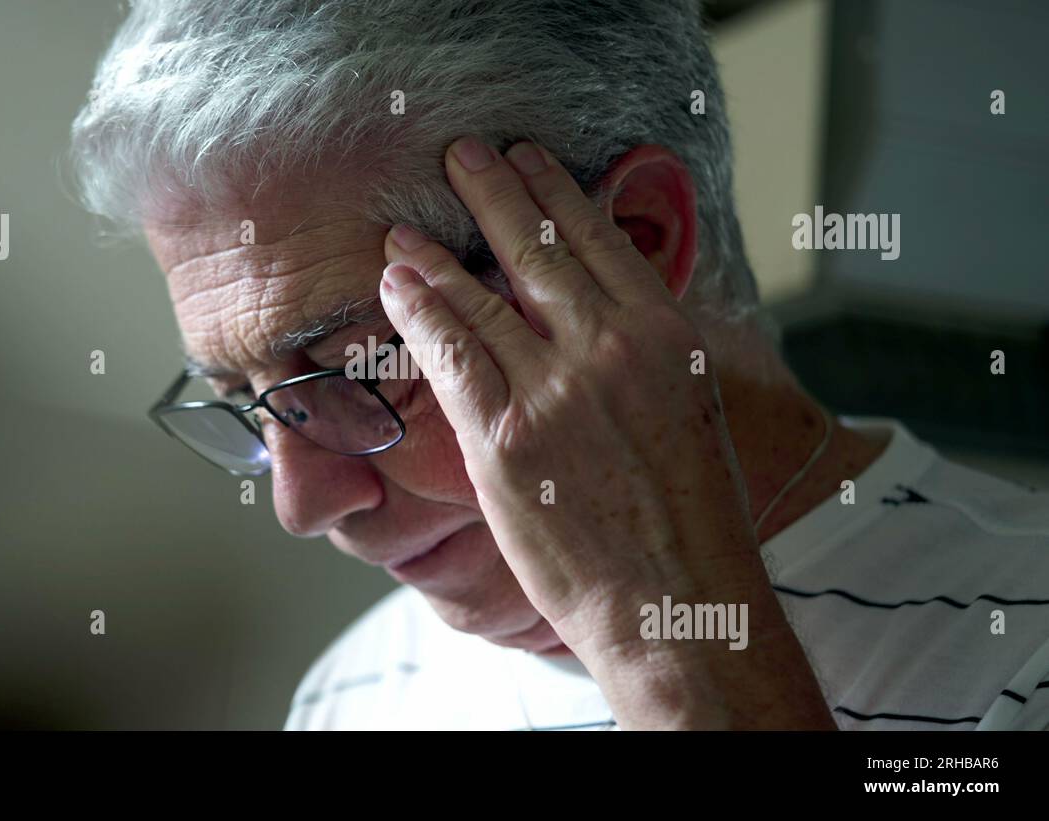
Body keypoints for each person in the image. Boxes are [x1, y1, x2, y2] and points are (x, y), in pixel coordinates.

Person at [70, 0, 1049, 729]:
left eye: (359, 364)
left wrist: (666, 645)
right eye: (246, 400)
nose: (302, 503)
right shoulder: (351, 694)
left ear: (630, 238)